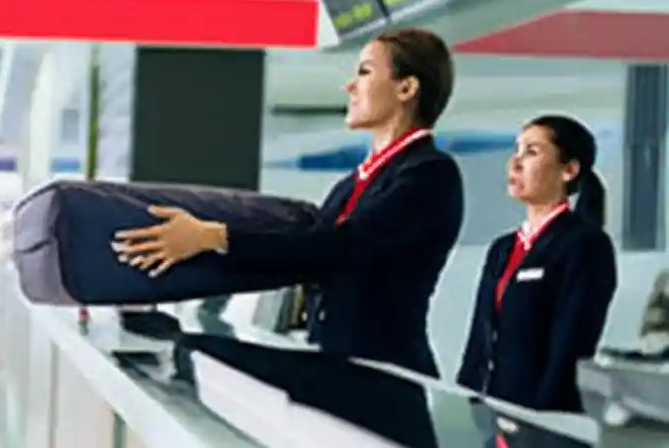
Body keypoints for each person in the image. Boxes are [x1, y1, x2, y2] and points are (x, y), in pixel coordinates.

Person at [112, 28, 463, 377]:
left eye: (365, 72)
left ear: (406, 88)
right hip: (337, 368)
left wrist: (213, 236)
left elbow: (343, 246)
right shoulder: (352, 184)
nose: (350, 86)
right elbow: (304, 251)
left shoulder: (430, 174)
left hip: (389, 378)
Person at [456, 115, 617, 412]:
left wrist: (540, 418)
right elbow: (479, 338)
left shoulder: (584, 245)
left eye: (531, 152)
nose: (515, 163)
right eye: (516, 150)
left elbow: (570, 346)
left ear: (569, 170)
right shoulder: (503, 249)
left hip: (539, 417)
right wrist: (467, 399)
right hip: (489, 410)